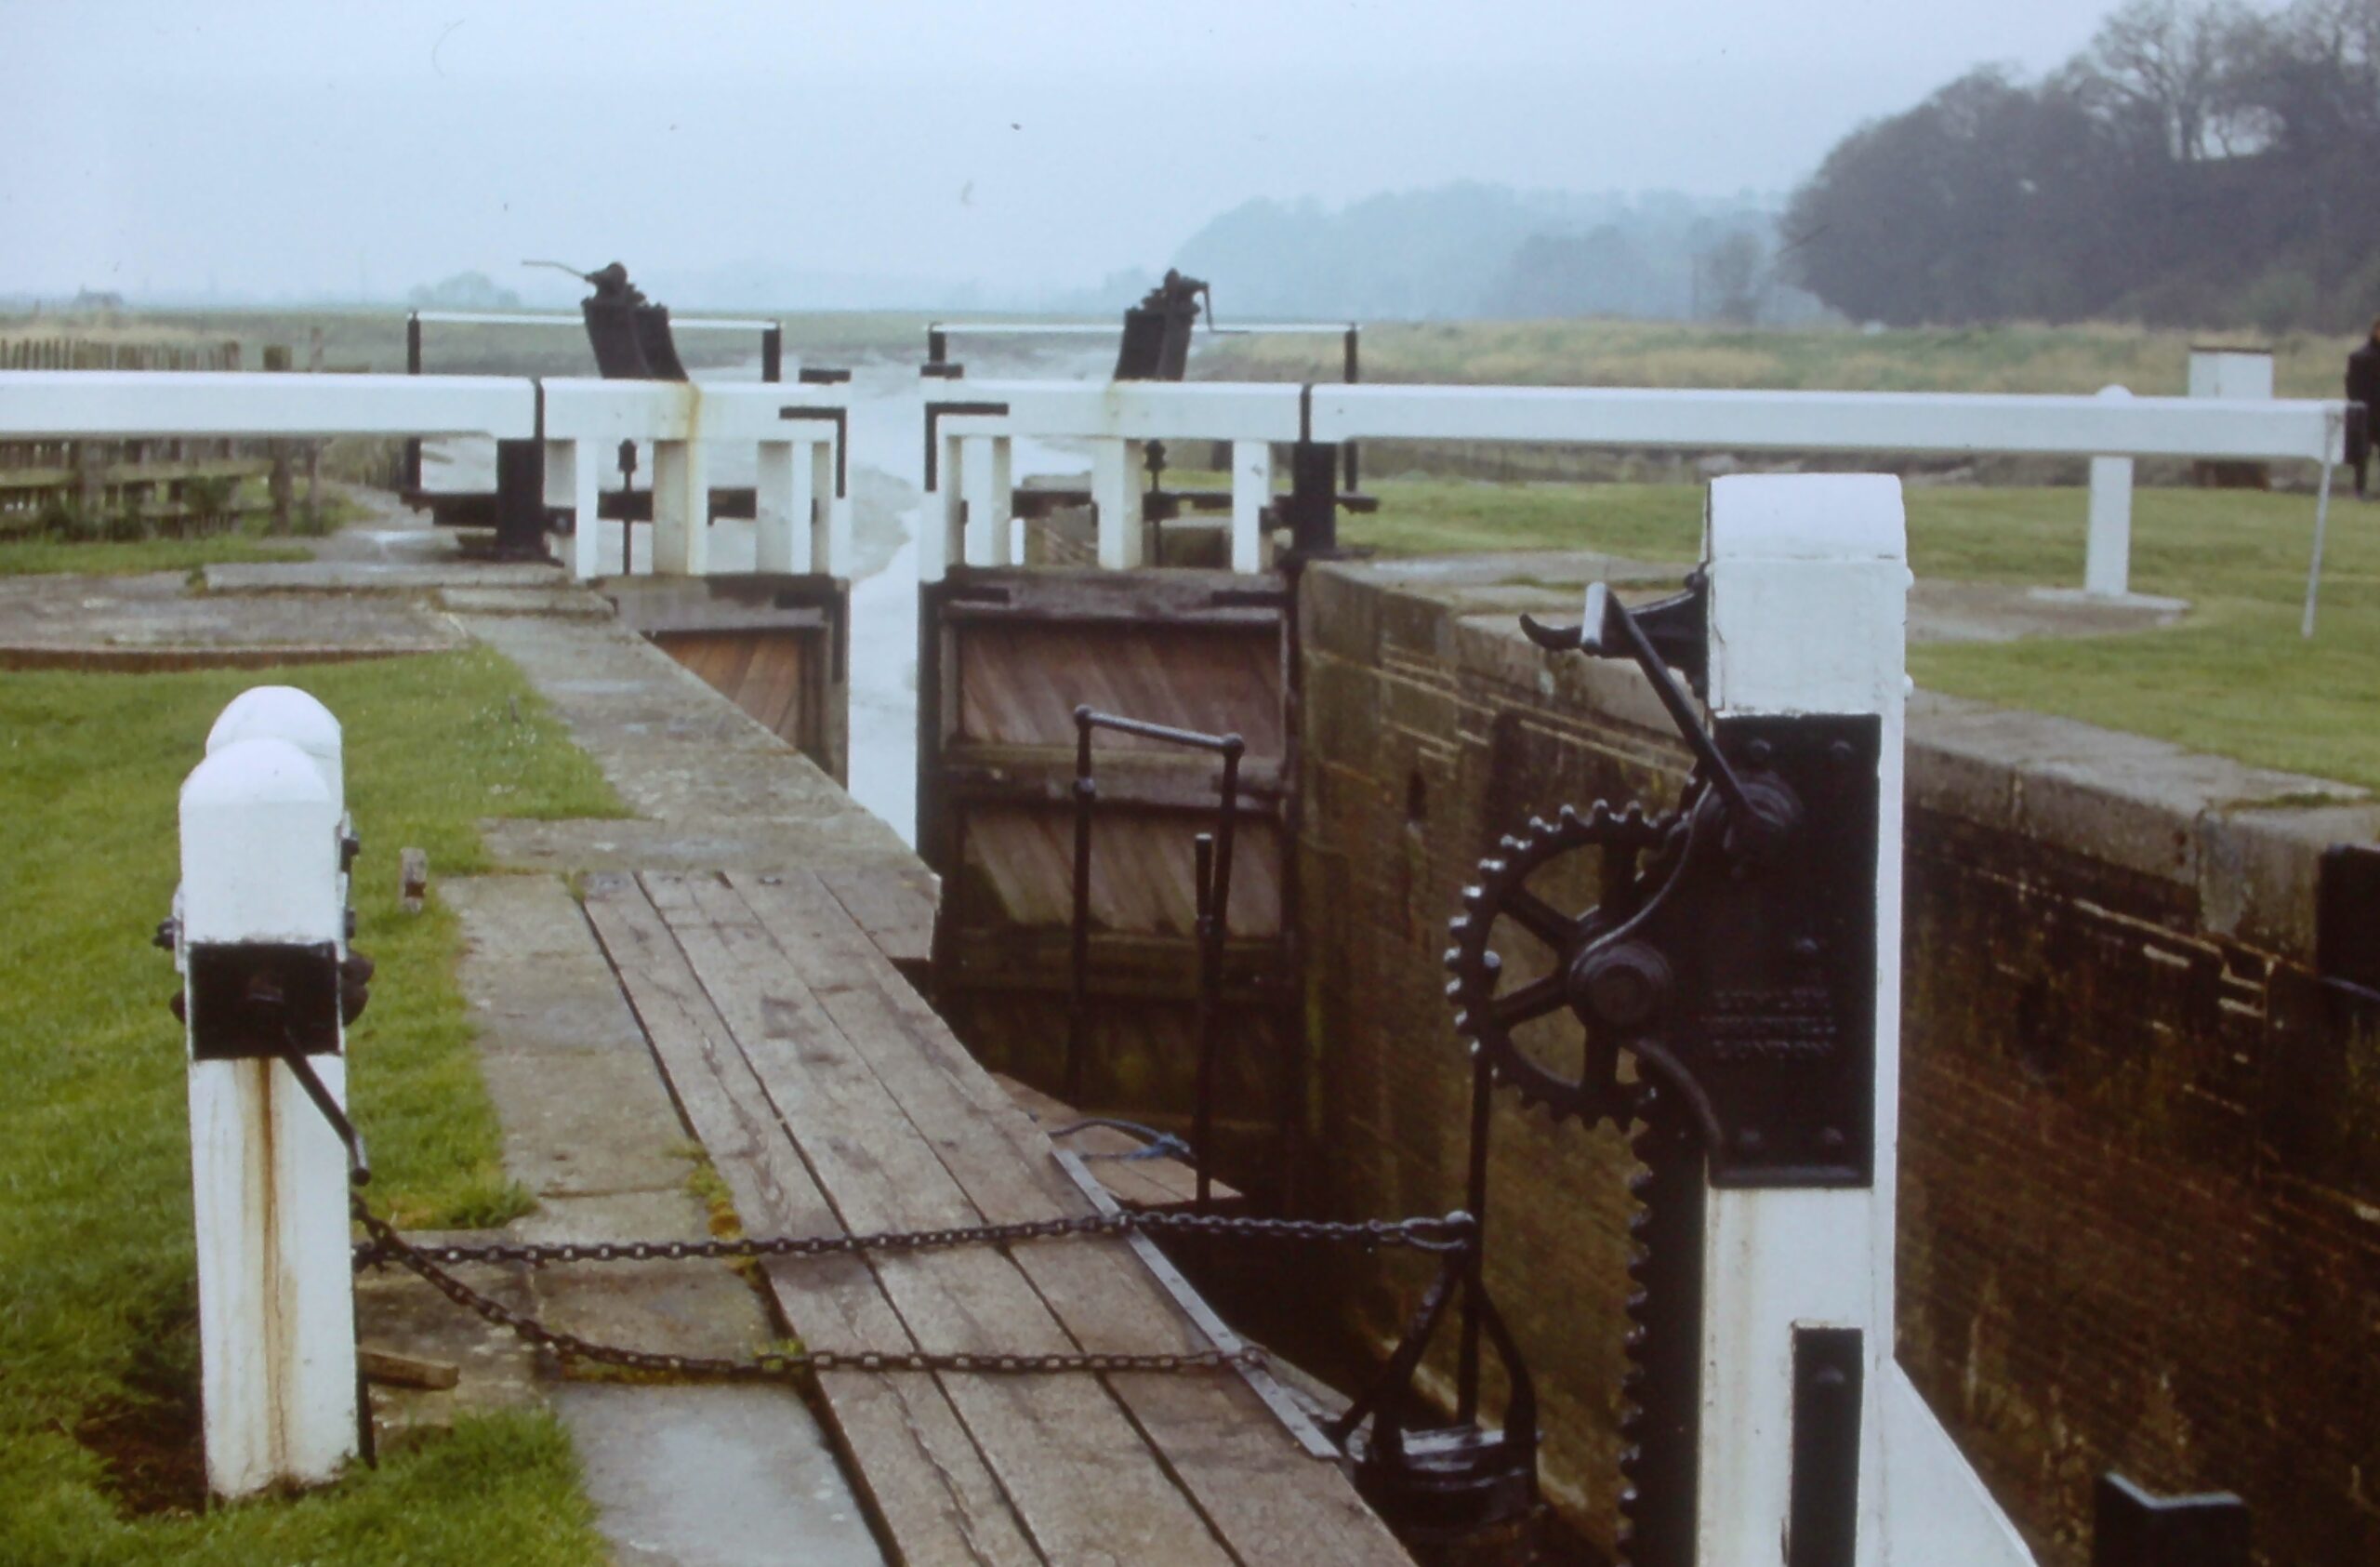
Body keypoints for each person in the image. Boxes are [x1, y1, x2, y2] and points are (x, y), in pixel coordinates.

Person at [2347, 317, 2380, 498]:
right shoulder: (2360, 358)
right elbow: (2352, 387)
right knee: (2361, 456)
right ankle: (2359, 490)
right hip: (2366, 413)